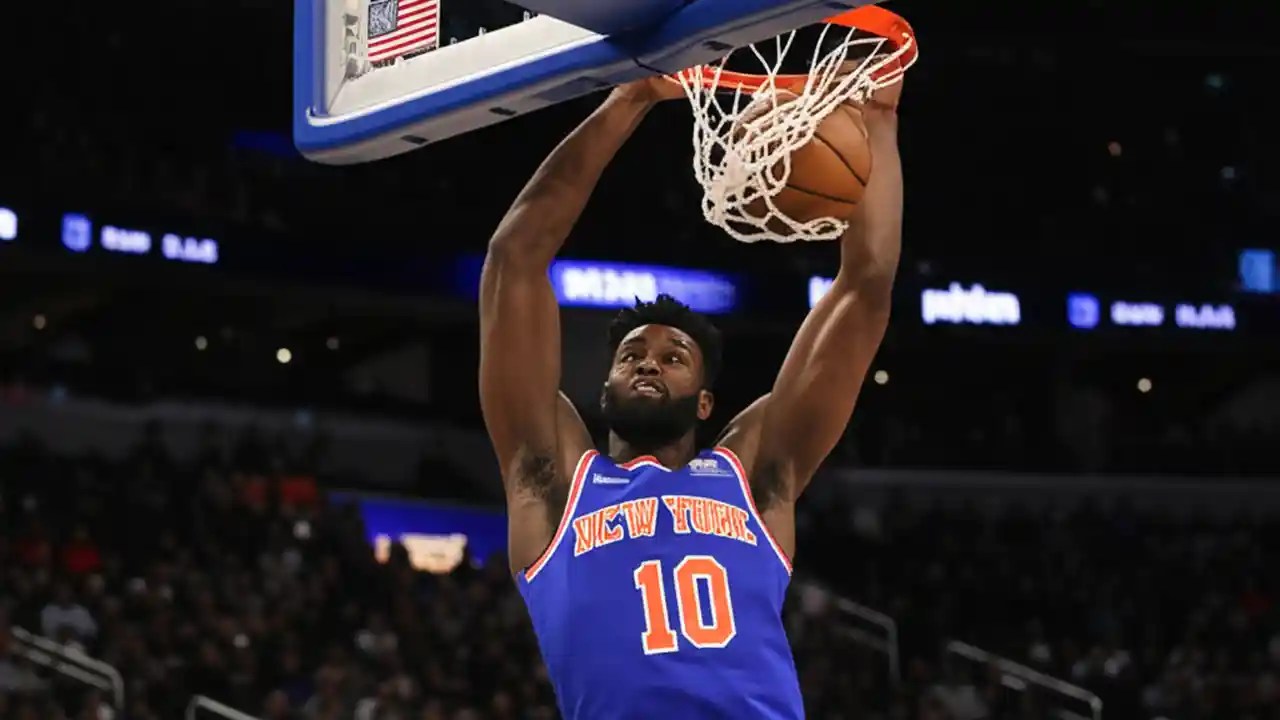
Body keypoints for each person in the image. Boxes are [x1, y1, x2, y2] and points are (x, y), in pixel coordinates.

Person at [478, 71, 904, 719]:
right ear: (605, 387)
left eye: (674, 357)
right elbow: (514, 257)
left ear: (706, 402)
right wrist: (629, 100)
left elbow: (865, 287)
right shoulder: (554, 482)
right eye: (631, 356)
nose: (648, 363)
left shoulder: (753, 476)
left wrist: (879, 121)